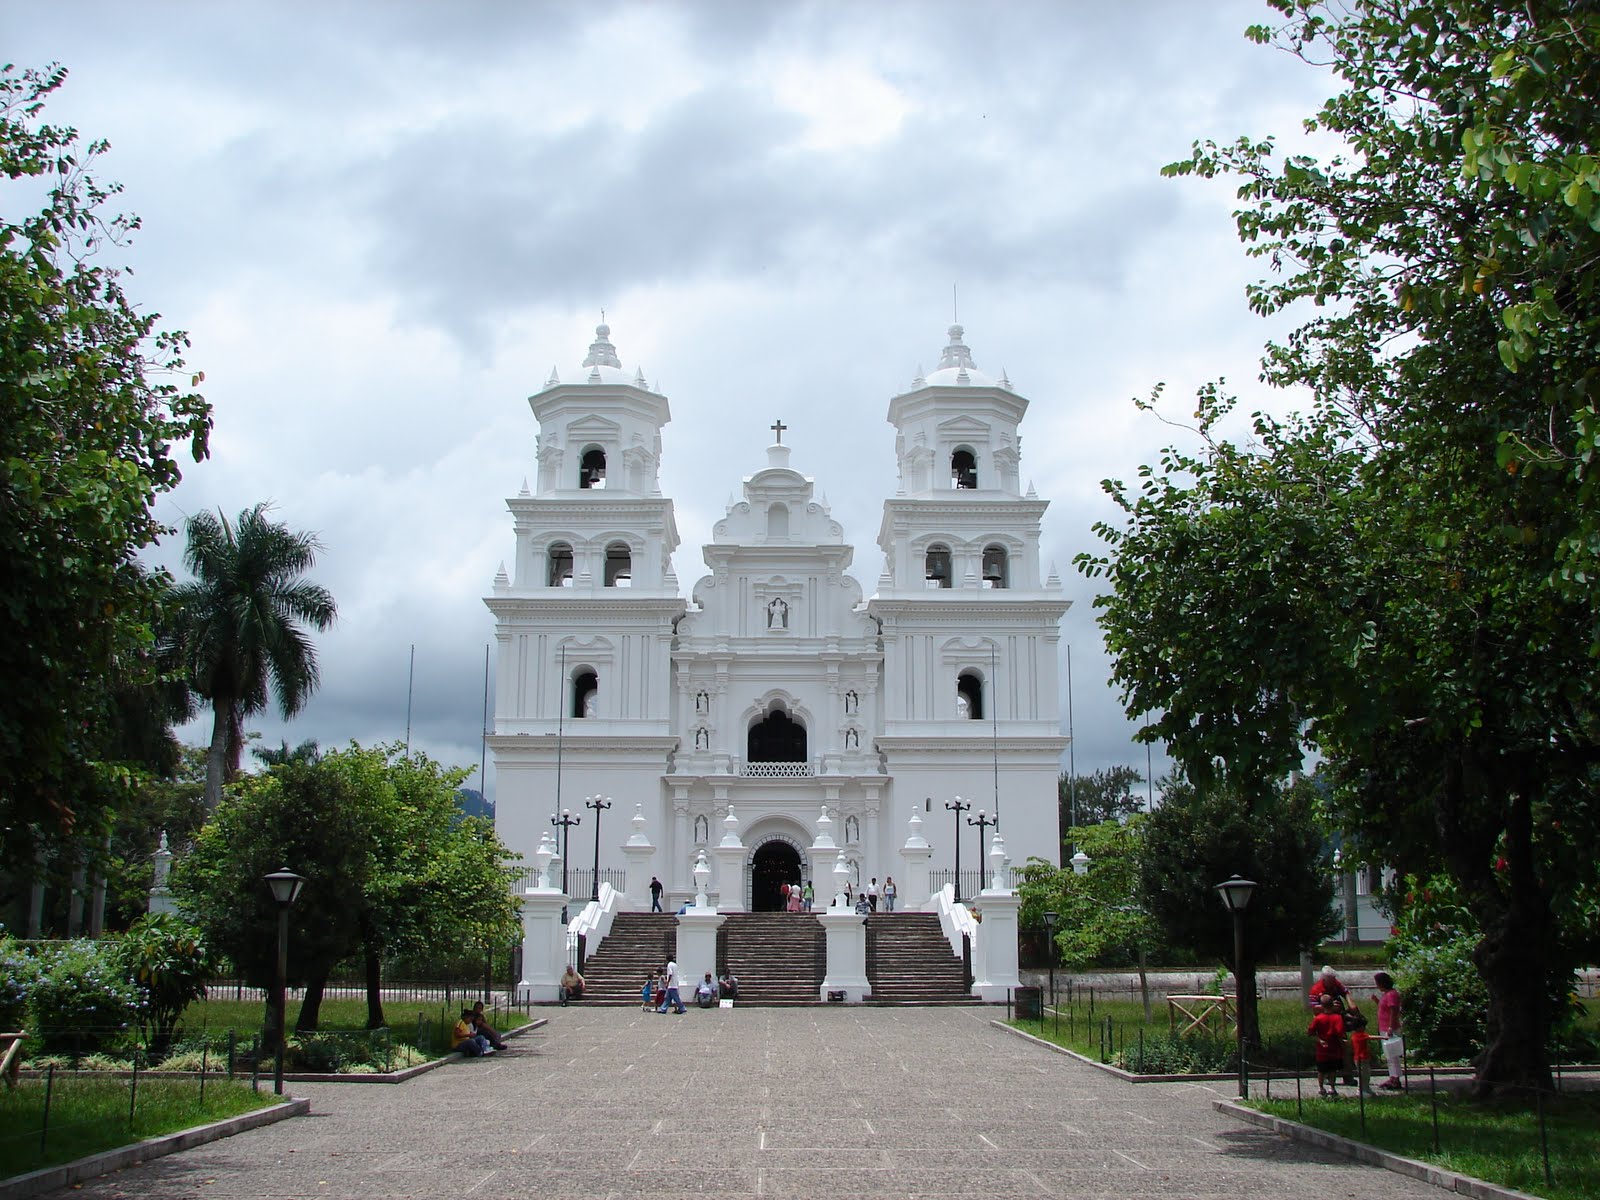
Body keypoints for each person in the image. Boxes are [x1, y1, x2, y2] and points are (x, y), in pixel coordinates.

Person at [1309, 964, 1356, 1085]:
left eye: (1334, 979)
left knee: (1344, 1046)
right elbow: (1314, 1008)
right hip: (1323, 1022)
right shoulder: (1316, 989)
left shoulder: (1336, 984)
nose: (1333, 982)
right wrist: (1330, 1007)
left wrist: (1351, 1004)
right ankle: (1325, 1075)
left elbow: (1345, 991)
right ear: (1324, 979)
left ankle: (1347, 1075)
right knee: (1326, 1051)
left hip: (1337, 1020)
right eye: (1330, 980)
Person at [1308, 994, 1345, 1098]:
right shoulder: (1338, 1018)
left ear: (1322, 1005)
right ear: (1332, 1004)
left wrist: (1320, 1040)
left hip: (1321, 1048)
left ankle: (1321, 1088)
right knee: (1333, 1069)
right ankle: (1332, 1087)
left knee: (1321, 1070)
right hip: (1334, 1047)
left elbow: (1310, 1032)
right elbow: (1340, 1032)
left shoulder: (1318, 1018)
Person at [1373, 971, 1405, 1089]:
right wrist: (1376, 1001)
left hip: (1389, 1028)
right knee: (1389, 1055)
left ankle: (1395, 1079)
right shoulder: (1386, 994)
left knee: (1392, 1055)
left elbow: (1393, 1011)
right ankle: (1392, 1077)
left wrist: (1391, 1026)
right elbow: (1384, 1008)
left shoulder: (1391, 994)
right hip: (1384, 1027)